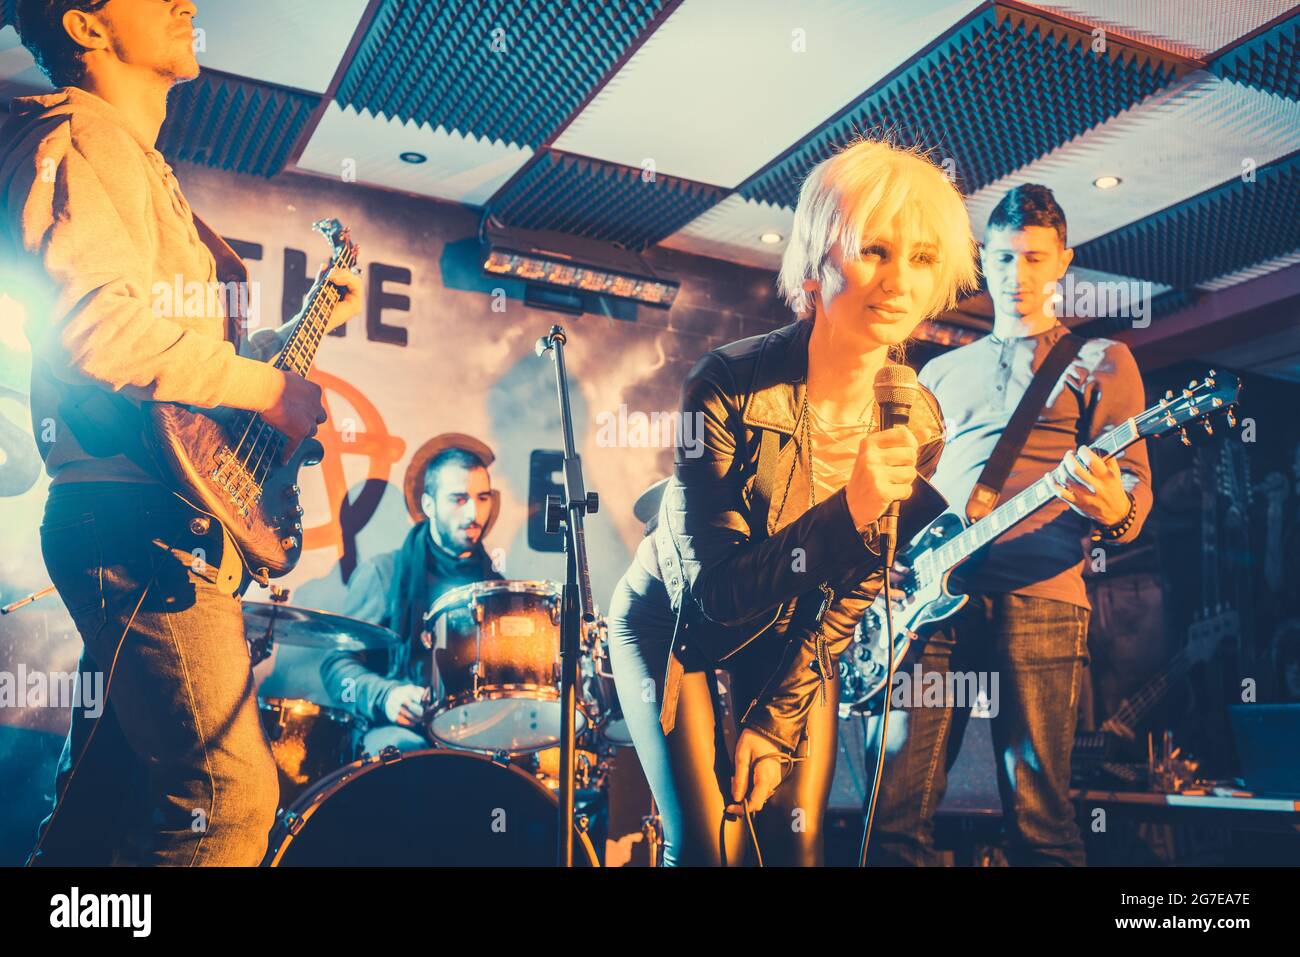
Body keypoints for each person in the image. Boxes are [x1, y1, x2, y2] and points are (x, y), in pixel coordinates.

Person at [2, 0, 363, 866]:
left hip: (144, 514)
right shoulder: (84, 138)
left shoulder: (129, 158)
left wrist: (292, 341)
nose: (184, 4)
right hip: (138, 523)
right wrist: (270, 384)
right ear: (86, 28)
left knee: (101, 815)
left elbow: (176, 374)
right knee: (229, 800)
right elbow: (97, 333)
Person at [607, 138, 978, 865]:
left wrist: (774, 723)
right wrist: (853, 505)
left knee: (791, 849)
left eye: (924, 258)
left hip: (797, 640)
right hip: (673, 626)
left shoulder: (916, 419)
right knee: (708, 849)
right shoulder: (722, 384)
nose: (899, 280)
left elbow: (854, 590)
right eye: (874, 248)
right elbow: (716, 592)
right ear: (817, 263)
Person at [862, 184, 1154, 866]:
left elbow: (1133, 498)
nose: (1015, 276)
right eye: (1001, 259)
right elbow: (911, 492)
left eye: (1032, 258)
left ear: (1062, 263)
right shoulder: (940, 369)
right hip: (932, 602)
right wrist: (896, 554)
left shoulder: (1101, 361)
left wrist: (1114, 507)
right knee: (892, 819)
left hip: (1043, 600)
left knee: (1040, 822)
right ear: (981, 264)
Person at [321, 437, 502, 755]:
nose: (474, 512)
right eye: (458, 499)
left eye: (483, 497)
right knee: (404, 750)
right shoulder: (384, 574)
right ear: (428, 505)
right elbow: (336, 666)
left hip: (475, 734)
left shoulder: (498, 588)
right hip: (399, 732)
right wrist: (386, 696)